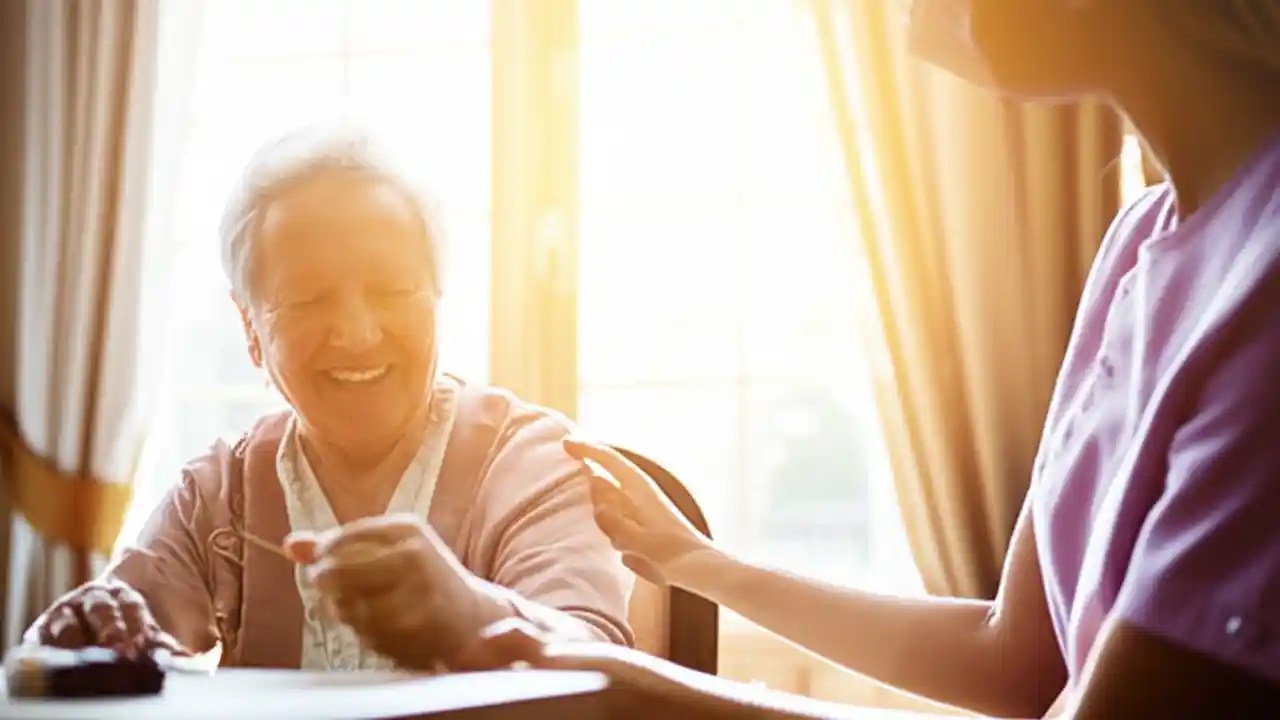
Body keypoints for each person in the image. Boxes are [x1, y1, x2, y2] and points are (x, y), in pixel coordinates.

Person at [462, 1, 1280, 717]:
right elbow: (1016, 657)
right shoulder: (1140, 240)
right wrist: (699, 566)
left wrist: (627, 689)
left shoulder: (1265, 285)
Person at [22, 129, 634, 671]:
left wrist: (474, 610)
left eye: (393, 288)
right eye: (309, 299)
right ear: (250, 331)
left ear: (438, 299)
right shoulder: (220, 494)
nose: (357, 333)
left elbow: (599, 660)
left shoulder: (534, 465)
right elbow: (120, 639)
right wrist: (92, 632)